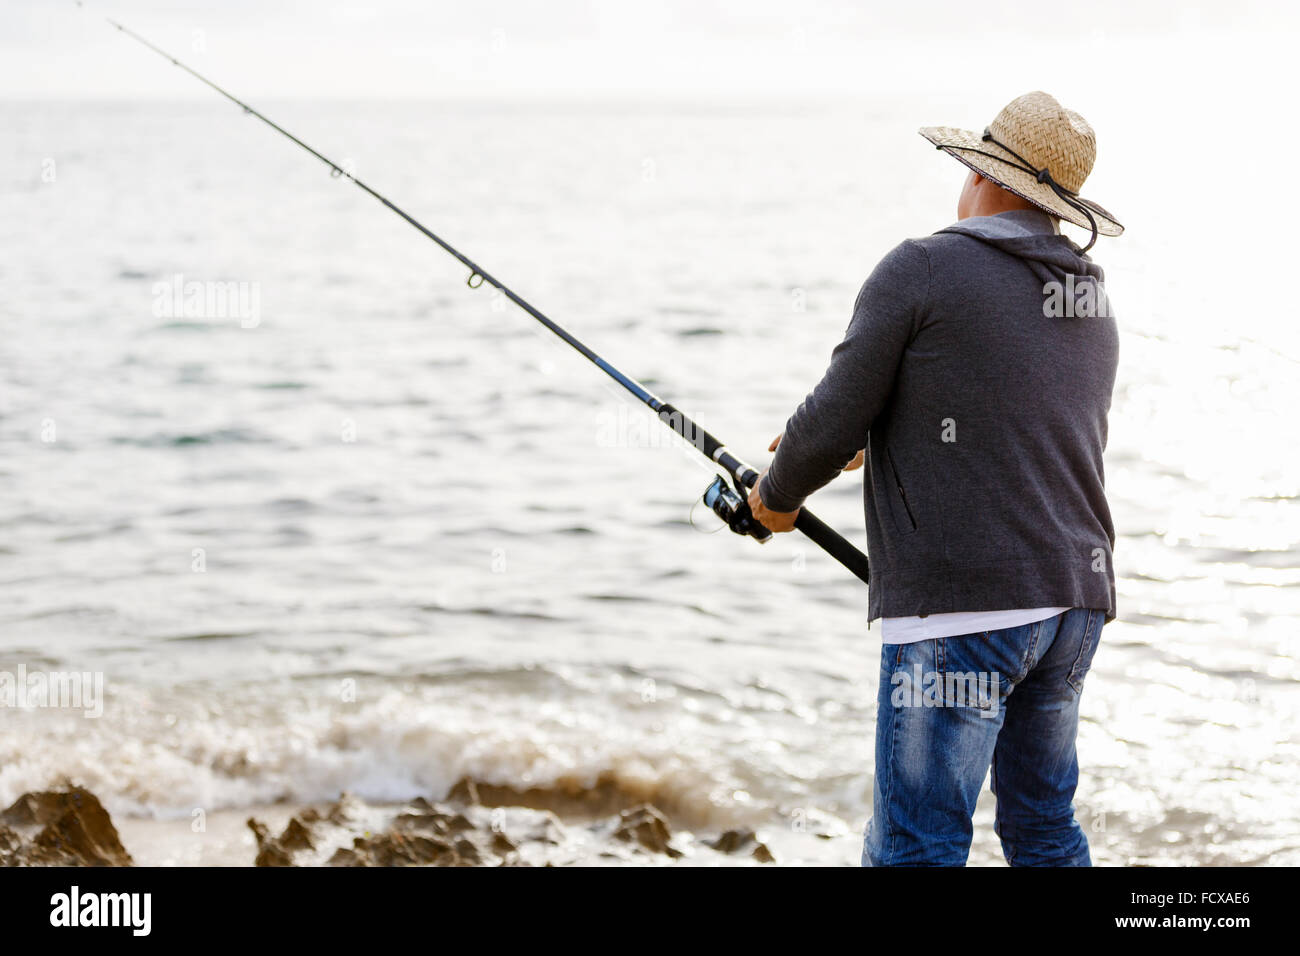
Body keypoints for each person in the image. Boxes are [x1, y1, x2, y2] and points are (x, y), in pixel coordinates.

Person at [748, 91, 1123, 866]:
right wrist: (866, 441)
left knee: (917, 845)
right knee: (1044, 827)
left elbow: (827, 419)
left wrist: (774, 497)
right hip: (1073, 605)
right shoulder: (1089, 297)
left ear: (980, 175)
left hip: (962, 615)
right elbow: (1008, 426)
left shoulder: (923, 265)